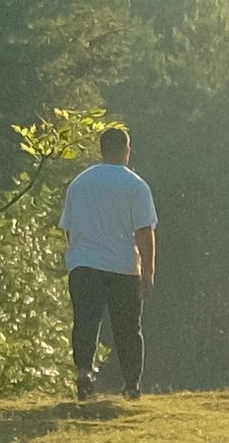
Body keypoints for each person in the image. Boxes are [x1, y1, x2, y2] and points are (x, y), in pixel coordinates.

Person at [60, 122, 158, 401]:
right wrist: (148, 271)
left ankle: (84, 374)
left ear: (101, 150)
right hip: (122, 266)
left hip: (84, 264)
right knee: (128, 328)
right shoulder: (135, 186)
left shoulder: (79, 183)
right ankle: (131, 385)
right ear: (127, 151)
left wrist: (77, 256)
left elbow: (69, 227)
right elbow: (144, 232)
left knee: (85, 324)